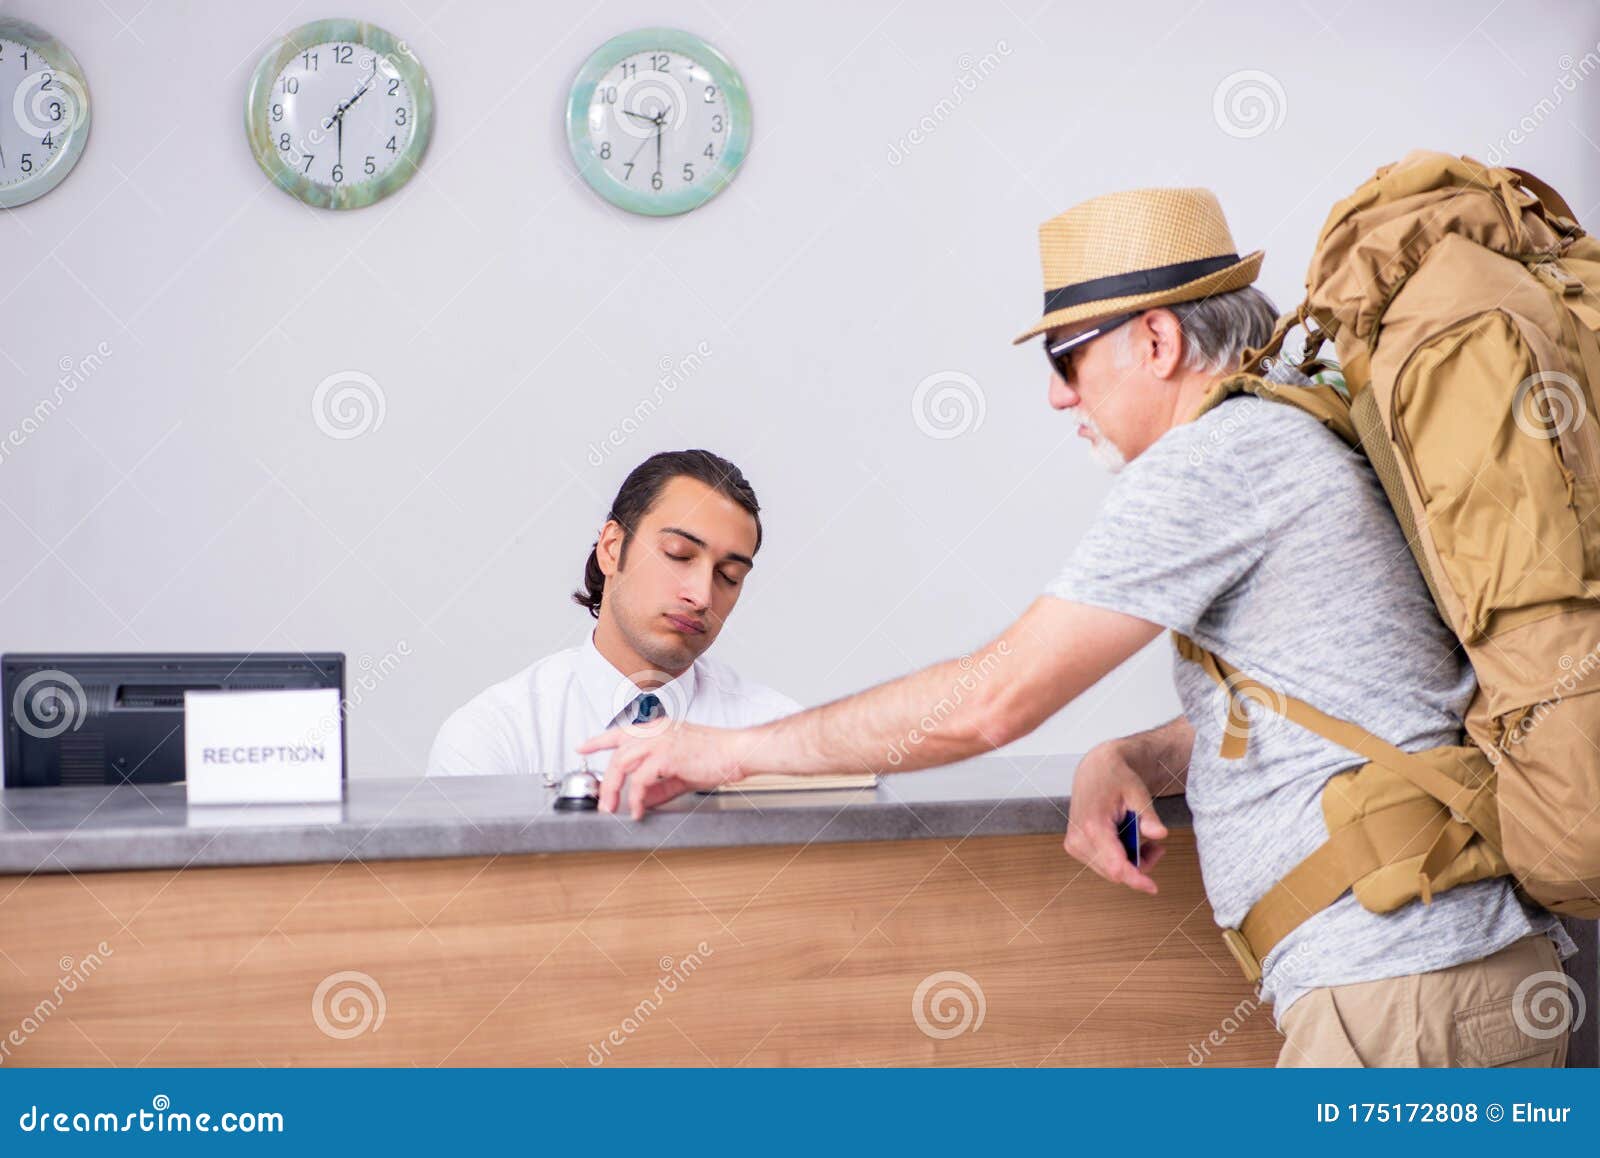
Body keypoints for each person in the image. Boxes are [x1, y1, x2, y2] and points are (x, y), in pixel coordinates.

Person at [579, 188, 1577, 1068]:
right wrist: (1124, 754)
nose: (1058, 394)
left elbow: (989, 703)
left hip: (1403, 996)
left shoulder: (1215, 461)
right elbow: (1327, 699)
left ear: (1158, 341)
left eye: (1068, 356)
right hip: (1440, 982)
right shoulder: (1295, 429)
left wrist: (727, 753)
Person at [427, 449, 798, 779]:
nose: (702, 596)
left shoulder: (775, 735)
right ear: (611, 548)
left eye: (729, 576)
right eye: (678, 554)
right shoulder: (494, 736)